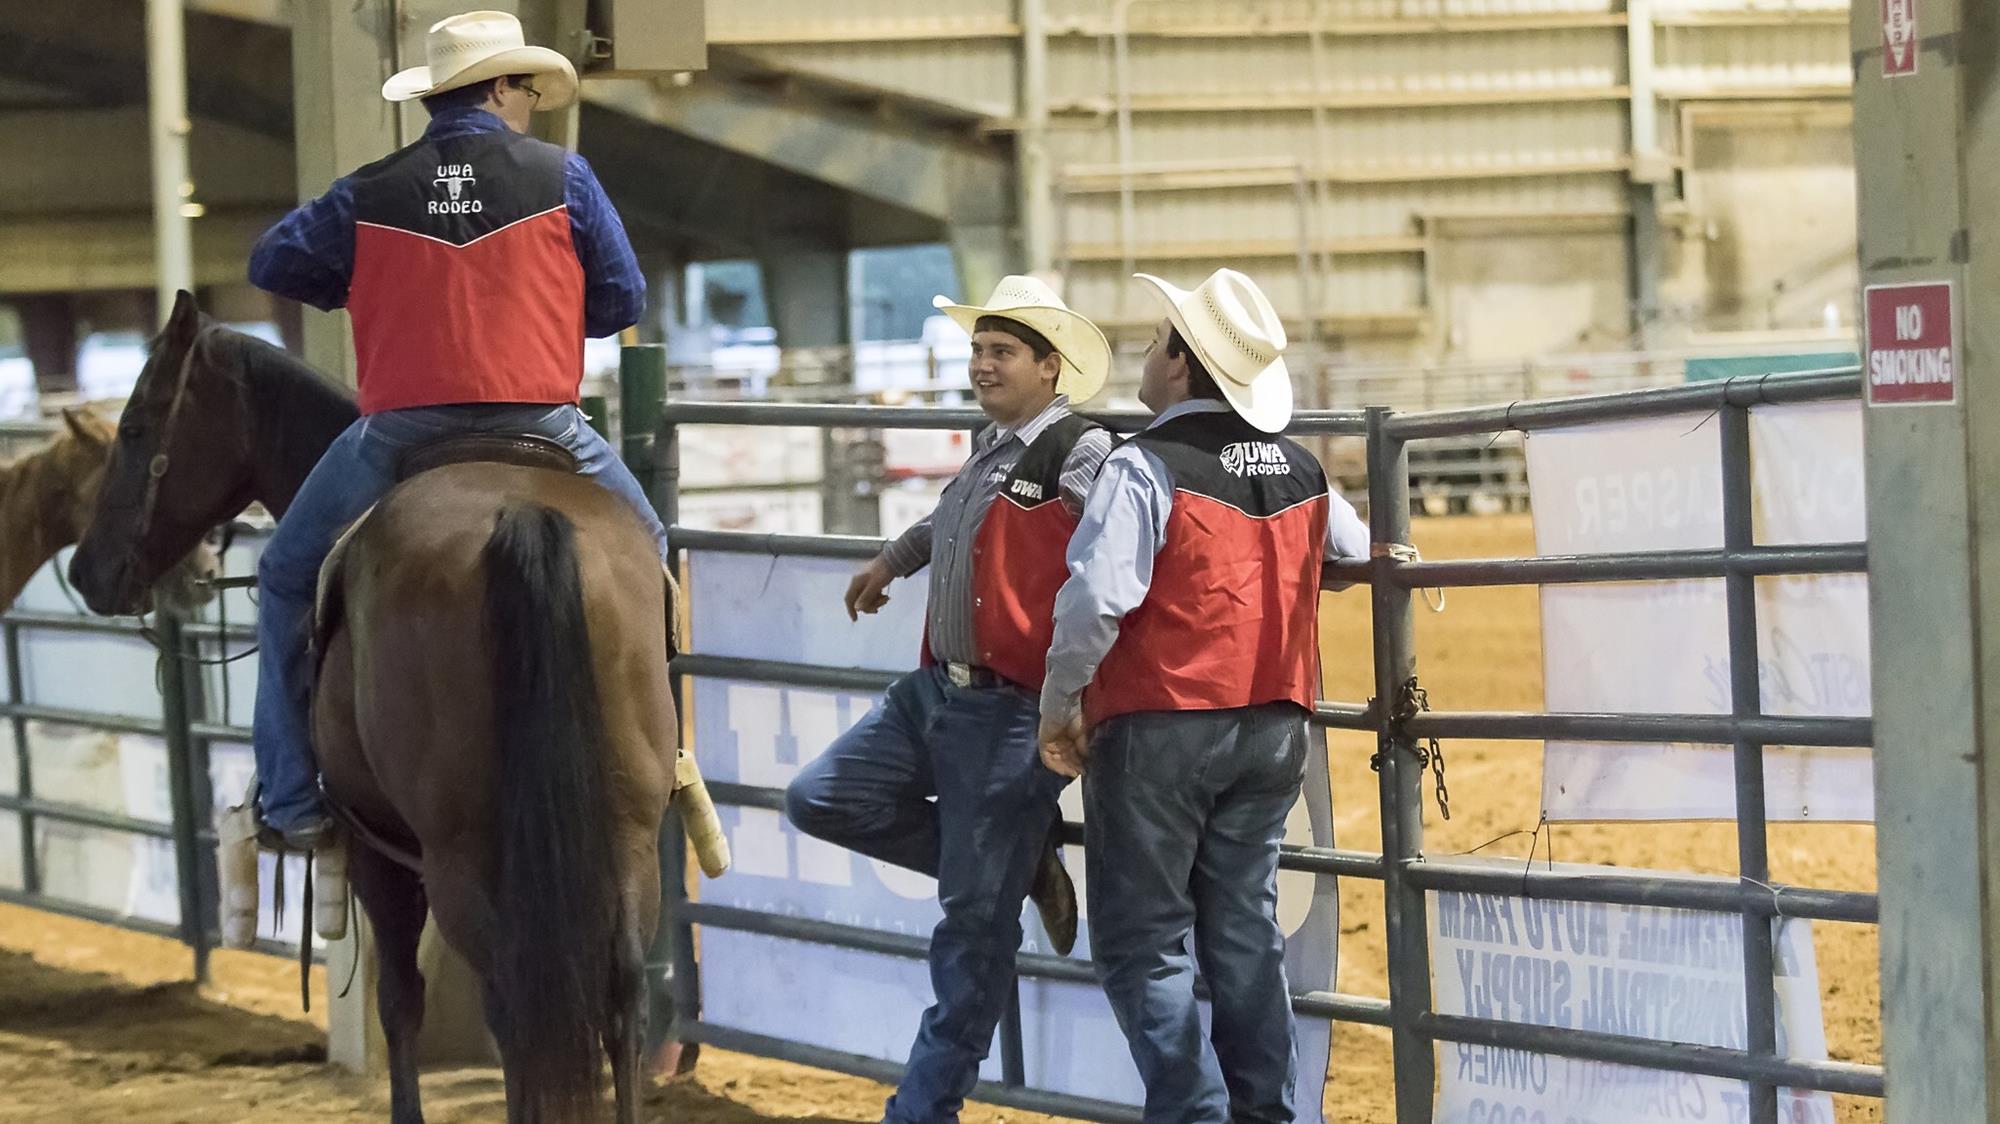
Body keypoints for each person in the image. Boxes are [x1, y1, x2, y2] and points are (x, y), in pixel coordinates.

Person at [244, 10, 665, 850]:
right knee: (650, 555)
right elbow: (623, 301)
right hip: (543, 421)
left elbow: (272, 262)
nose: (532, 105)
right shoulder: (566, 177)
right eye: (528, 90)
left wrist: (369, 285)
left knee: (288, 579)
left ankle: (291, 800)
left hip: (403, 430)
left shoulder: (367, 190)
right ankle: (666, 762)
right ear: (501, 85)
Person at [1037, 268, 1370, 1122]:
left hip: (1164, 722)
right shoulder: (1300, 468)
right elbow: (1352, 557)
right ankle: (1267, 1114)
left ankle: (1194, 1113)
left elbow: (1095, 602)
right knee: (1243, 932)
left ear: (1182, 365)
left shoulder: (1146, 464)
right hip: (1274, 728)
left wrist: (1060, 701)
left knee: (1144, 941)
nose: (1146, 358)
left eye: (1155, 345)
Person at [784, 276, 1113, 1122]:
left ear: (1052, 366)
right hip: (941, 691)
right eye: (978, 351)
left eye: (1001, 352)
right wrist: (892, 561)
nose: (981, 365)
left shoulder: (1083, 451)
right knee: (820, 797)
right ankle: (1014, 863)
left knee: (971, 928)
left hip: (1010, 708)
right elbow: (948, 522)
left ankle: (923, 1112)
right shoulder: (993, 444)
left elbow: (1112, 558)